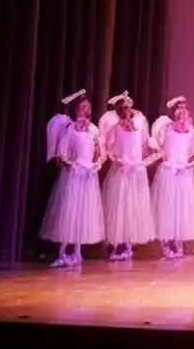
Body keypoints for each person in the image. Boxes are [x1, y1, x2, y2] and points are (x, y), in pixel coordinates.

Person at [41, 89, 105, 268]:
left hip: (87, 175)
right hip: (74, 173)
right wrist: (69, 163)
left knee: (82, 214)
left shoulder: (93, 129)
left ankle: (77, 253)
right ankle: (62, 253)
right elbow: (62, 151)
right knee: (68, 213)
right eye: (80, 108)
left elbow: (101, 153)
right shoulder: (70, 128)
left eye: (86, 108)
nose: (83, 111)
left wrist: (97, 164)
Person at [101, 91, 156, 261]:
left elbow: (144, 146)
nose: (127, 110)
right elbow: (108, 148)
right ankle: (117, 244)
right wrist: (116, 160)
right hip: (121, 170)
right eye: (123, 108)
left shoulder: (139, 126)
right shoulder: (115, 128)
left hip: (135, 171)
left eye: (128, 107)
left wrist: (144, 161)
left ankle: (129, 244)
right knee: (120, 206)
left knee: (133, 206)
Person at [150, 96, 194, 260]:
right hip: (169, 171)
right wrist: (165, 157)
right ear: (173, 111)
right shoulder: (165, 127)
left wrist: (191, 164)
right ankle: (166, 242)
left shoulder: (191, 130)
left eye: (184, 107)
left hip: (183, 173)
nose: (182, 111)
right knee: (168, 208)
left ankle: (179, 242)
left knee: (183, 208)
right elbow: (157, 146)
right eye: (178, 108)